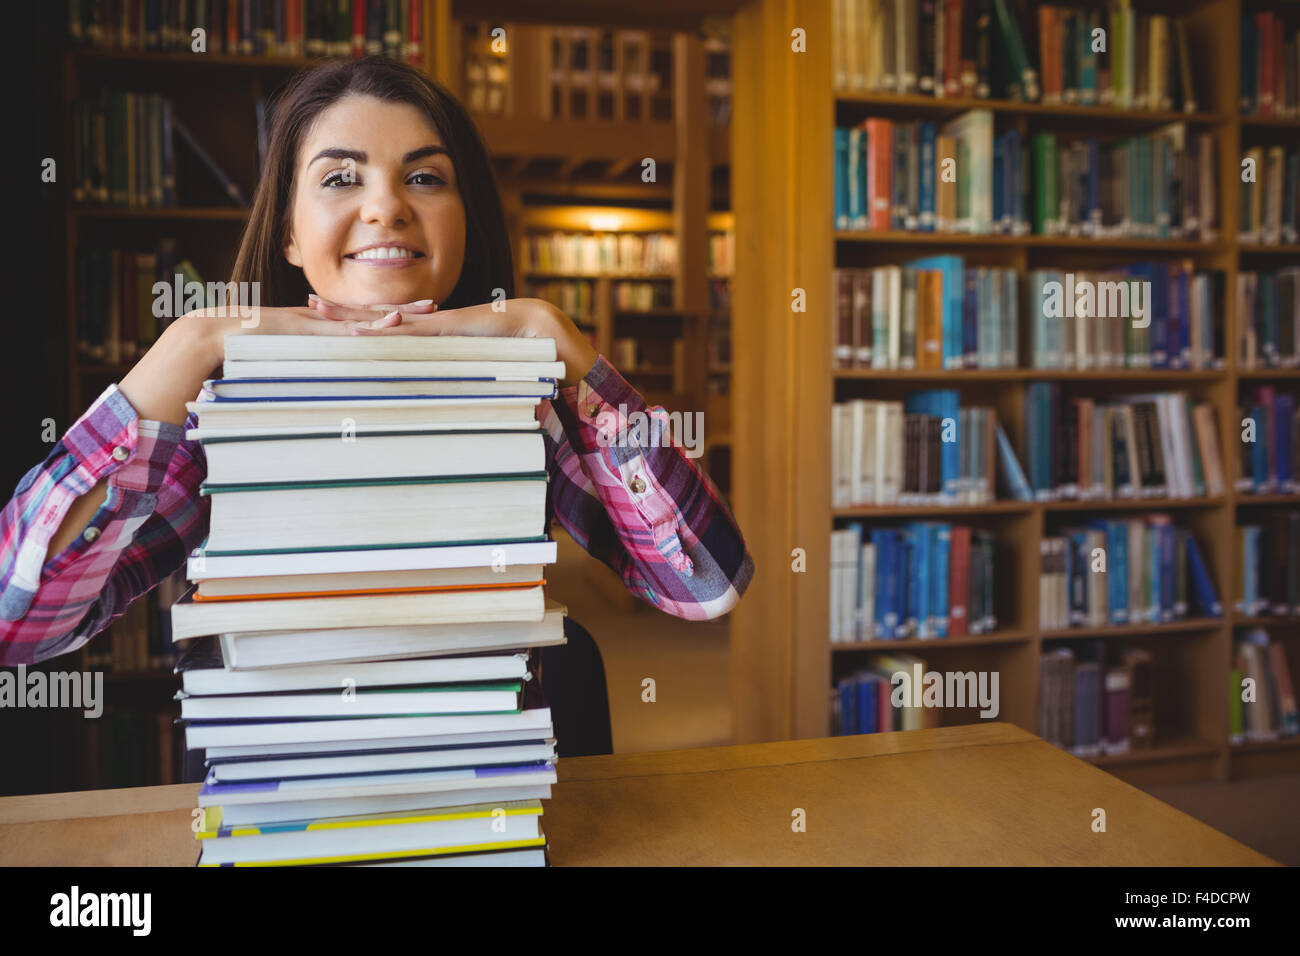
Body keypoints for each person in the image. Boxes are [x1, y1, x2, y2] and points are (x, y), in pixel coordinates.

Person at [0, 57, 753, 758]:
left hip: (481, 787)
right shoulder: (220, 418)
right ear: (289, 233)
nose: (387, 206)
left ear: (467, 217)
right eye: (339, 179)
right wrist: (192, 341)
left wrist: (561, 342)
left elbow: (706, 584)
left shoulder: (520, 404)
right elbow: (19, 621)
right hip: (288, 788)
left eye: (425, 178)